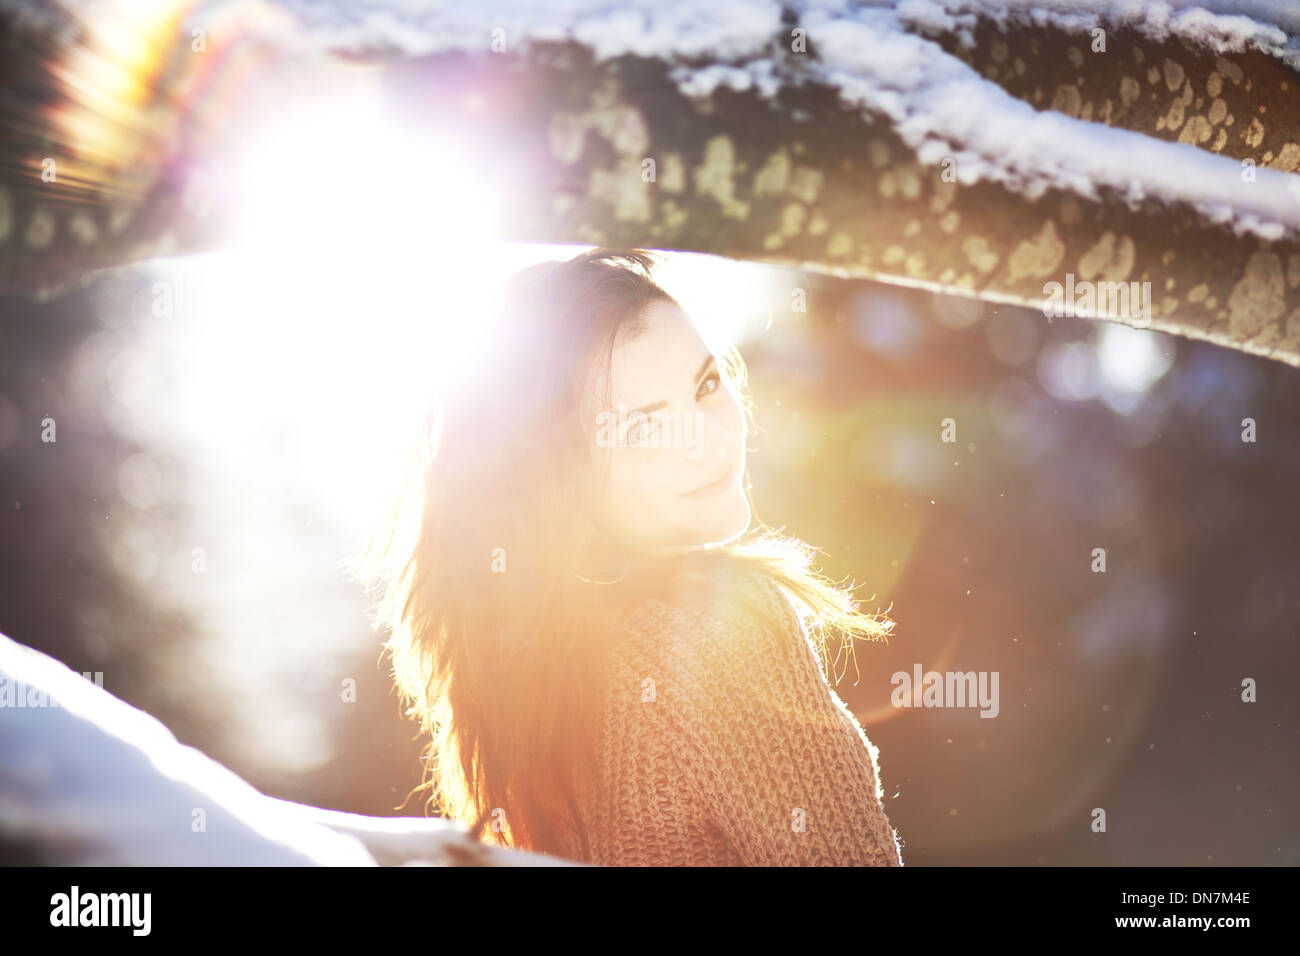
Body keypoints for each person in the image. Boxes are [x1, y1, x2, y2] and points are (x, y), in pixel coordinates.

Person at [358, 248, 903, 866]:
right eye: (644, 429)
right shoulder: (720, 628)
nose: (712, 441)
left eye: (705, 385)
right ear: (555, 479)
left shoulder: (518, 682)